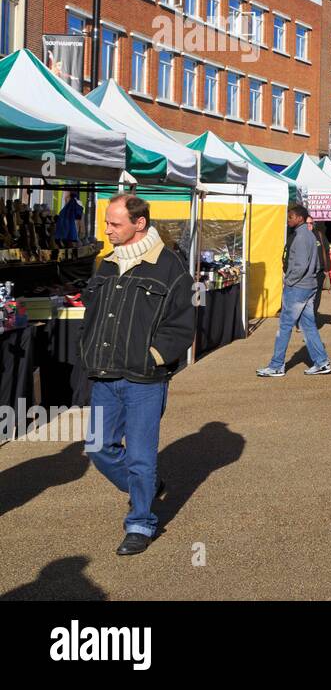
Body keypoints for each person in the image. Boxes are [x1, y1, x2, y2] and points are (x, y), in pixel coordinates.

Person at [81, 195, 196, 556]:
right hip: (105, 375)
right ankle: (145, 485)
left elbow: (183, 326)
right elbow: (93, 313)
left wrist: (153, 358)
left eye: (114, 224)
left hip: (145, 379)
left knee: (142, 456)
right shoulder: (106, 264)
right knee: (98, 448)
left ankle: (141, 522)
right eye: (107, 222)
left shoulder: (171, 267)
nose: (107, 229)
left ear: (139, 223)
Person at [258, 204, 331, 378]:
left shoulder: (300, 237)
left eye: (291, 217)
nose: (288, 219)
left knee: (284, 327)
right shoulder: (309, 234)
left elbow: (300, 265)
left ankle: (276, 365)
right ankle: (321, 362)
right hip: (309, 285)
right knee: (308, 326)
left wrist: (289, 281)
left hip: (298, 287)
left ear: (299, 218)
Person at [305, 213, 331, 324]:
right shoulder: (299, 236)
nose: (309, 225)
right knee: (305, 297)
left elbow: (326, 251)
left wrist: (327, 269)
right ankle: (303, 320)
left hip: (319, 271)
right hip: (305, 273)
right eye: (307, 223)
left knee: (316, 297)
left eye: (311, 223)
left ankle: (312, 317)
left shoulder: (319, 235)